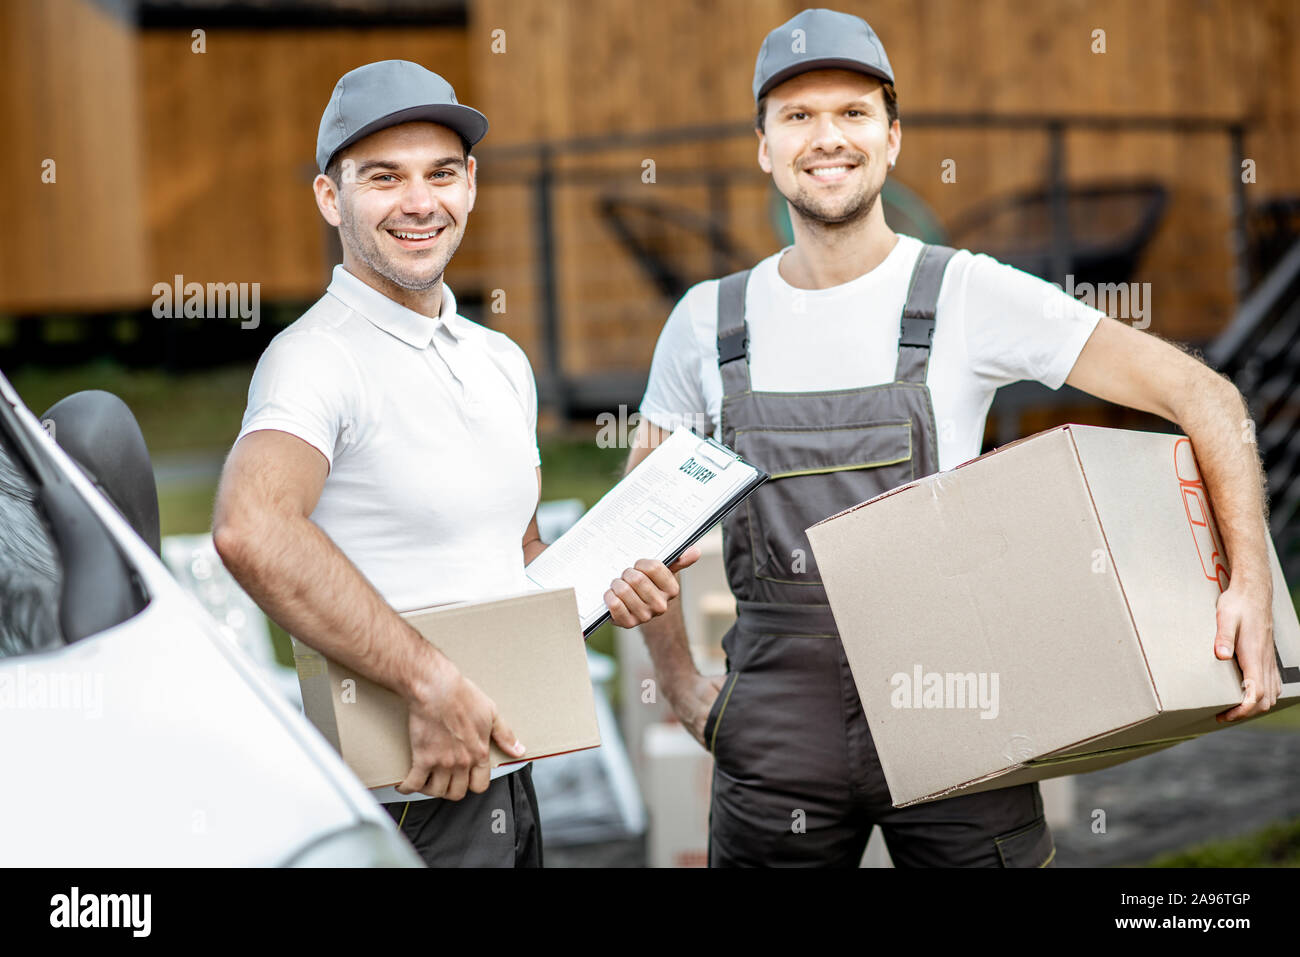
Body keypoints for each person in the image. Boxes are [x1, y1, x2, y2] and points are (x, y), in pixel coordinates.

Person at [628, 8, 1281, 867]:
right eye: (797, 117)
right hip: (775, 735)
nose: (827, 138)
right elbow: (640, 526)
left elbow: (1207, 395)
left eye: (853, 113)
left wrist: (1251, 586)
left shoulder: (967, 293)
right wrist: (680, 687)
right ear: (764, 147)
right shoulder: (706, 322)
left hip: (961, 720)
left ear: (893, 140)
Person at [212, 60, 696, 868]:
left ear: (469, 185)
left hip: (510, 766)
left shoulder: (499, 358)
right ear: (331, 198)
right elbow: (250, 526)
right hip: (409, 792)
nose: (418, 201)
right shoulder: (315, 360)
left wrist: (615, 578)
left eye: (440, 173)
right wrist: (427, 683)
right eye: (383, 178)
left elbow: (520, 557)